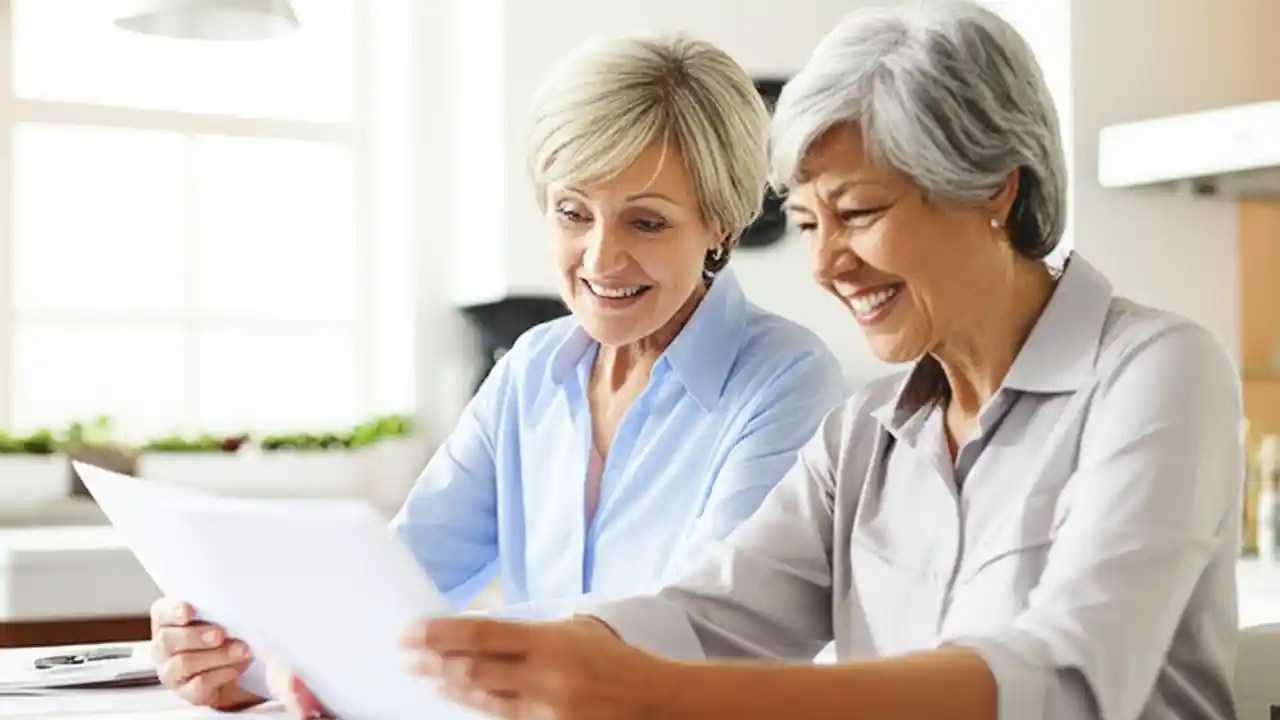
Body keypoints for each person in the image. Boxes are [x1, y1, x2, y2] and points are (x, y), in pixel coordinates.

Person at [402, 3, 1244, 719]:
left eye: (860, 211)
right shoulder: (865, 431)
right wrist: (493, 654)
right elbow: (712, 611)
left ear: (995, 186)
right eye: (808, 223)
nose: (826, 264)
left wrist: (650, 689)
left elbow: (1067, 679)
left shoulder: (1156, 371)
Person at [146, 33, 846, 713]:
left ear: (719, 224)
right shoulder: (532, 371)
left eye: (647, 223)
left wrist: (394, 652)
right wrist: (244, 655)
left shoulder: (786, 380)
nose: (600, 260)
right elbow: (399, 576)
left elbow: (702, 628)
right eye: (574, 213)